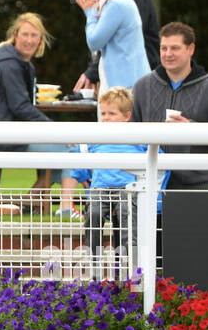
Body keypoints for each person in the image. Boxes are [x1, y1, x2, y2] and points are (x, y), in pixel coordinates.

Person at [0, 13, 79, 216]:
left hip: (3, 130)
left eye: (34, 35)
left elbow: (19, 106)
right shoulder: (9, 65)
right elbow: (20, 106)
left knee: (65, 149)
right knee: (70, 150)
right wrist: (56, 130)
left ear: (41, 40)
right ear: (15, 36)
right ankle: (56, 206)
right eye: (25, 34)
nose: (29, 40)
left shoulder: (18, 63)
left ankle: (31, 201)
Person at [71, 87, 169, 280]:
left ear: (127, 116)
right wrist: (84, 180)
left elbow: (160, 162)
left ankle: (130, 271)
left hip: (129, 190)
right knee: (94, 214)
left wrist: (154, 193)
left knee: (128, 222)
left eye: (112, 114)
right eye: (103, 113)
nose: (106, 118)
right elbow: (80, 160)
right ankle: (95, 267)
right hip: (100, 189)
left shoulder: (137, 137)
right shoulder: (96, 138)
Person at [130, 22, 208, 189]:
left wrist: (192, 129)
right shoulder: (141, 87)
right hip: (148, 185)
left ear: (191, 49)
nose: (168, 54)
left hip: (195, 187)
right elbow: (128, 136)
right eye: (163, 48)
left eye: (175, 48)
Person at [77, 0, 149, 92]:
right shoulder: (121, 1)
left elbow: (94, 42)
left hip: (124, 86)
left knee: (110, 114)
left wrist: (90, 13)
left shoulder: (118, 5)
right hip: (130, 82)